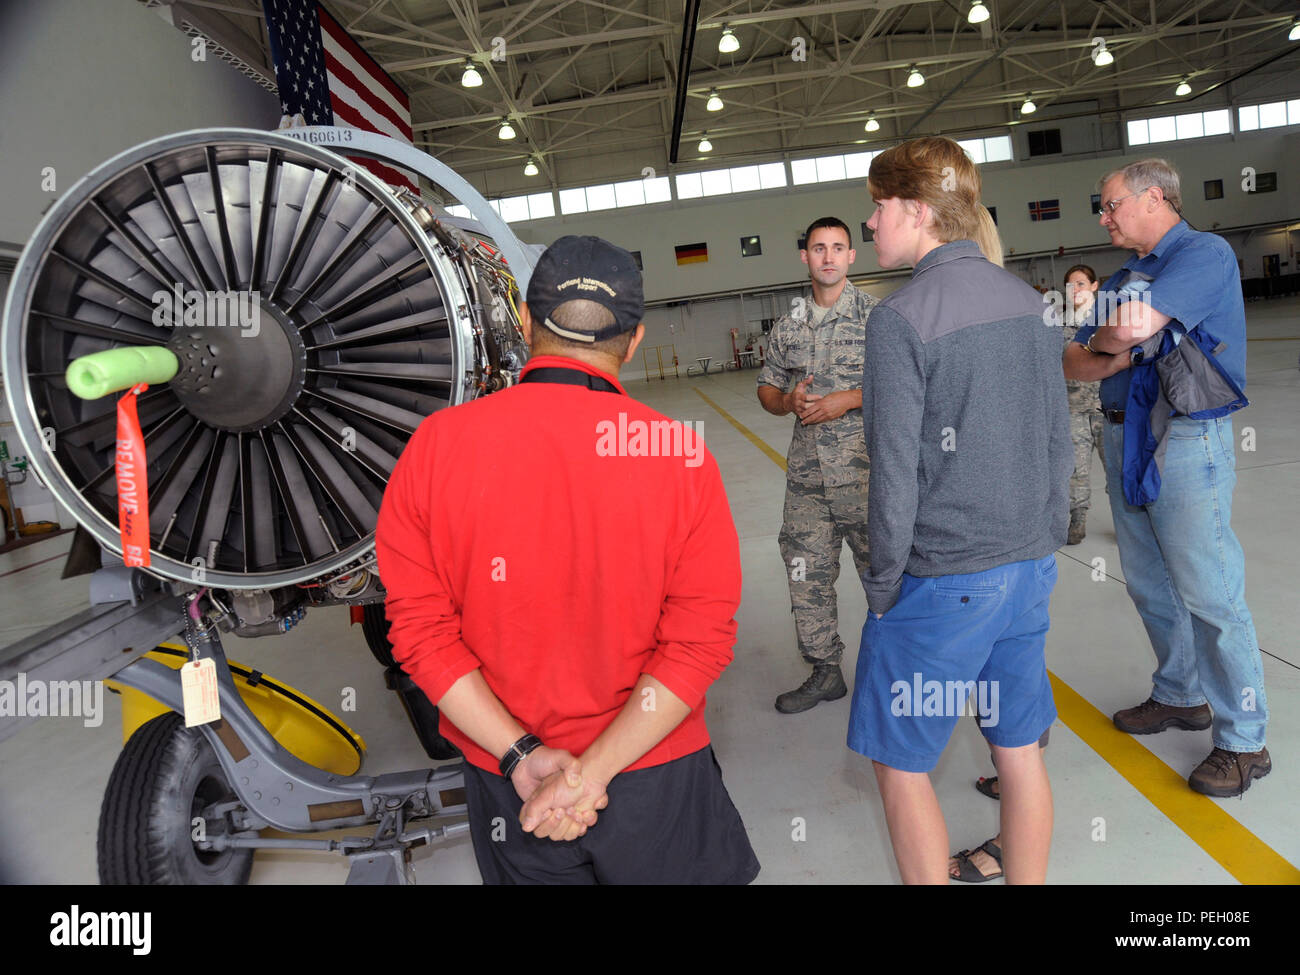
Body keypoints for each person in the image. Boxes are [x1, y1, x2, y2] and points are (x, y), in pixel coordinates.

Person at [374, 235, 760, 883]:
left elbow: (418, 634)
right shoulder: (680, 456)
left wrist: (522, 753)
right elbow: (697, 645)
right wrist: (593, 774)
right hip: (652, 774)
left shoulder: (436, 446)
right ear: (634, 341)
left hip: (513, 784)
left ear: (523, 322)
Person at [850, 136, 1072, 884]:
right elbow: (1056, 439)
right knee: (1016, 750)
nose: (871, 225)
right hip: (1026, 567)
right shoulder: (1028, 302)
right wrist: (1042, 543)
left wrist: (884, 586)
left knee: (901, 764)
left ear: (917, 211)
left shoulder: (901, 318)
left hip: (945, 580)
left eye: (879, 208)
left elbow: (895, 473)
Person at [1064, 159, 1269, 797]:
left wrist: (1117, 336)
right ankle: (1180, 694)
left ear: (1154, 198)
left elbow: (1117, 331)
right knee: (1151, 587)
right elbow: (1075, 360)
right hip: (1123, 434)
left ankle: (1245, 739)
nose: (1103, 218)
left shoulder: (1202, 256)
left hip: (1182, 440)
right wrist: (1125, 338)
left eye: (1111, 205)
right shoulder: (1128, 274)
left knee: (1211, 594)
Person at [756, 216, 878, 713]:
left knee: (886, 576)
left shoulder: (878, 317)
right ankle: (825, 669)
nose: (828, 256)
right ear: (804, 257)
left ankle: (897, 667)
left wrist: (847, 399)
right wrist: (787, 402)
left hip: (869, 475)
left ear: (852, 256)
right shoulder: (788, 324)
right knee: (806, 575)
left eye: (838, 247)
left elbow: (909, 386)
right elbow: (766, 387)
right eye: (818, 247)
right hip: (808, 479)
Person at [1061, 265, 1105, 544]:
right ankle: (1077, 519)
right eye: (1069, 285)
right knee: (1075, 469)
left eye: (1080, 283)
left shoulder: (1110, 319)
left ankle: (1131, 524)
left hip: (1107, 408)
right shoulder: (1056, 323)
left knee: (1118, 465)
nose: (1074, 290)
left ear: (1094, 286)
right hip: (1072, 407)